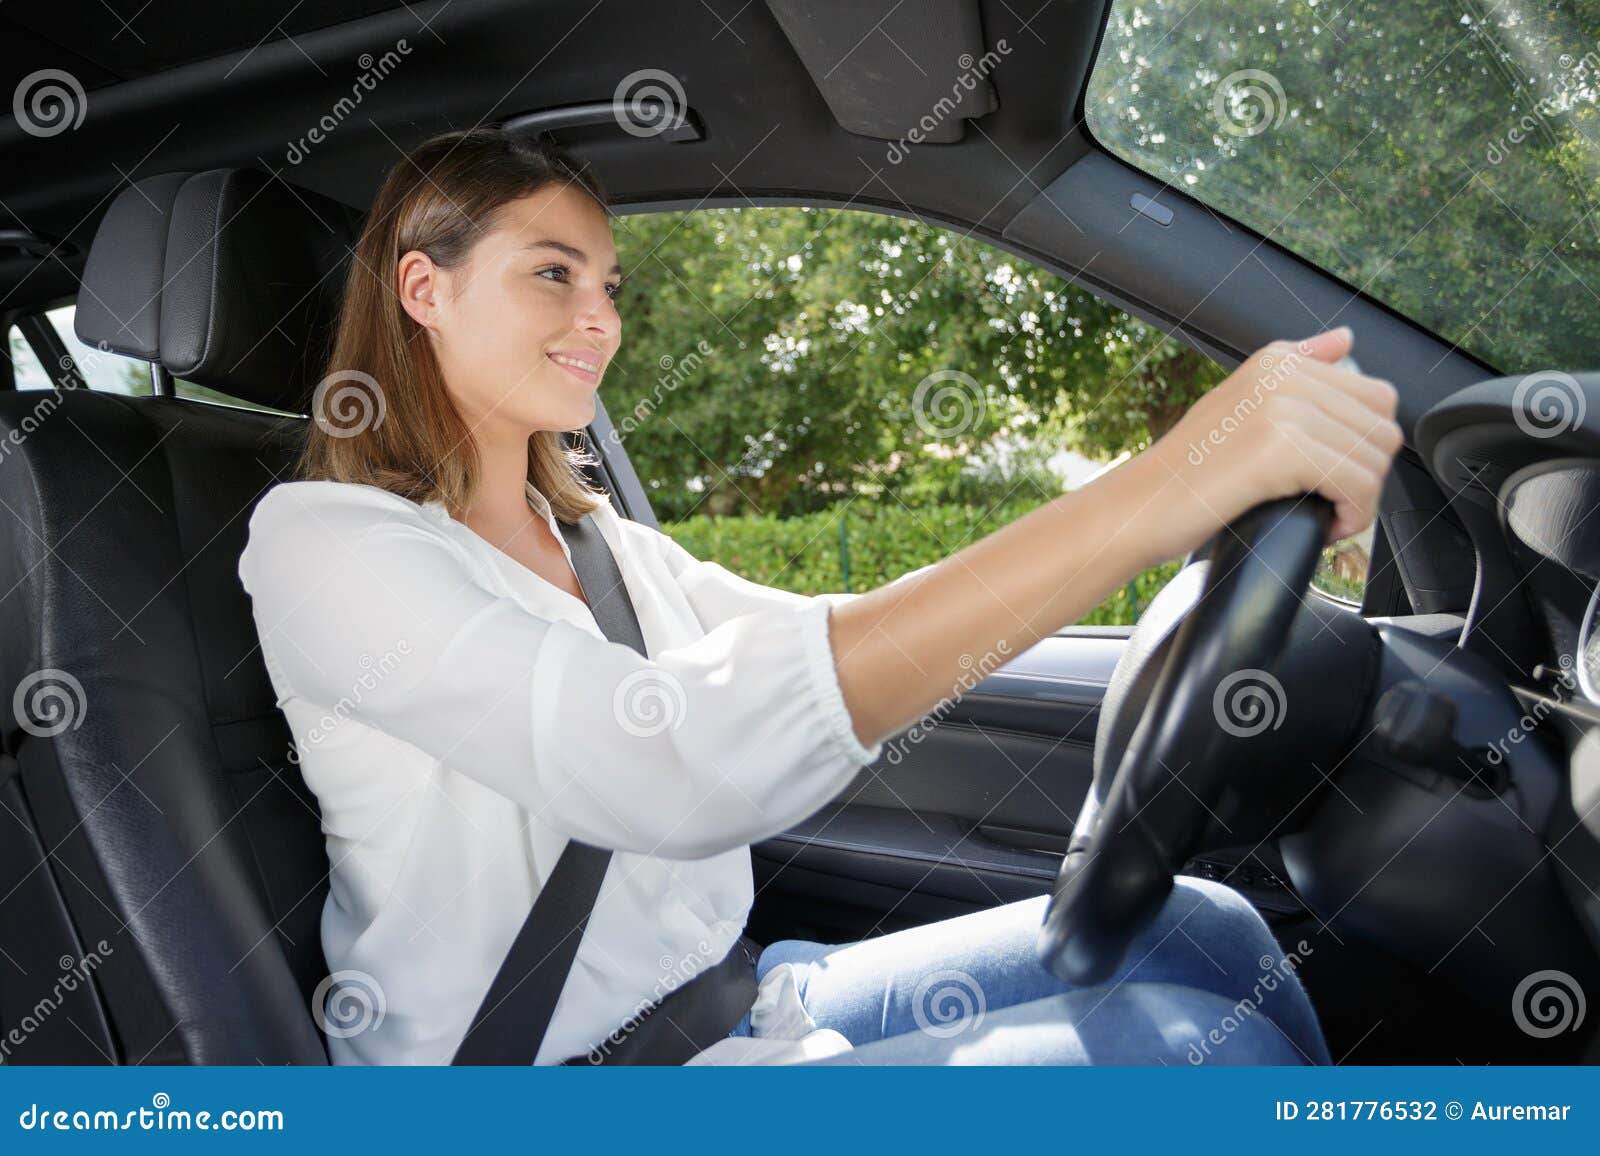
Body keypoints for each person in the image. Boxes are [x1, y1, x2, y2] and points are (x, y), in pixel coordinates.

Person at [237, 127, 1401, 1066]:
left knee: (1202, 928)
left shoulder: (603, 545)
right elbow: (667, 762)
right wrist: (1175, 481)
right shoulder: (325, 547)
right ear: (421, 288)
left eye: (609, 282)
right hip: (554, 1079)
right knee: (1187, 1057)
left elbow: (826, 644)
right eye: (553, 273)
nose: (602, 318)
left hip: (735, 1004)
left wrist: (1146, 533)